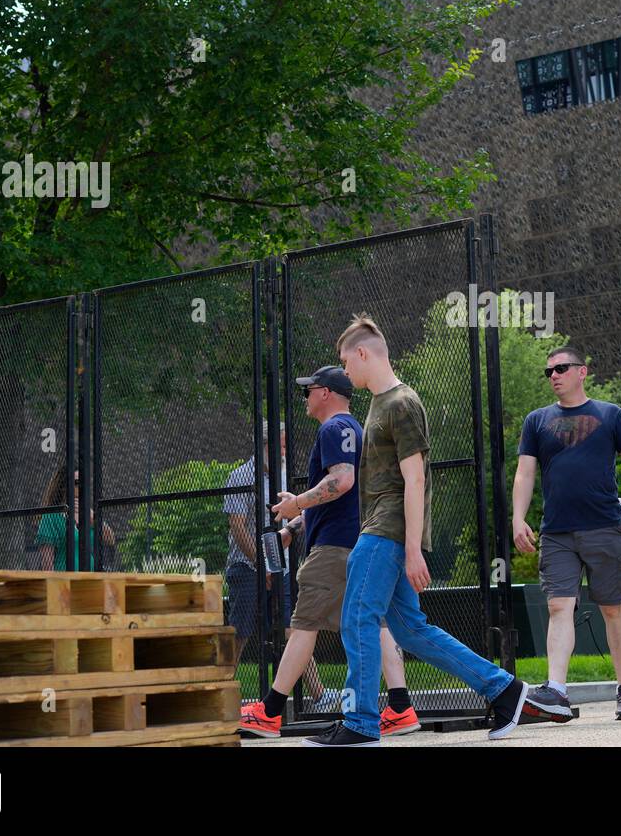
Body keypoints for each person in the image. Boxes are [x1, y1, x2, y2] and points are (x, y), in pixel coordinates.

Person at [303, 314, 528, 747]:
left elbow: (417, 479)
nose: (344, 372)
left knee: (357, 617)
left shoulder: (402, 403)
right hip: (381, 528)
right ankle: (504, 689)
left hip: (386, 531)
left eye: (345, 362)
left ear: (364, 353)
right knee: (410, 630)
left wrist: (412, 549)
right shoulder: (379, 403)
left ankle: (361, 722)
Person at [238, 365, 418, 738]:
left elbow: (341, 482)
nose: (305, 398)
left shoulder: (334, 428)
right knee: (376, 622)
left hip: (335, 547)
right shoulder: (359, 431)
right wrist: (294, 527)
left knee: (303, 624)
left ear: (325, 393)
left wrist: (296, 504)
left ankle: (269, 712)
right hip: (363, 541)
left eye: (309, 391)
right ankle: (401, 707)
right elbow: (346, 498)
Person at [512, 346, 621, 722]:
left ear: (582, 372)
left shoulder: (610, 414)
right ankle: (557, 691)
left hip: (604, 526)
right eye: (549, 372)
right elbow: (525, 473)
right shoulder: (536, 420)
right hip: (557, 531)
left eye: (561, 368)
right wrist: (518, 518)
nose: (554, 376)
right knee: (559, 605)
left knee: (612, 608)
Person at [224, 428, 289, 669]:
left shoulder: (283, 477)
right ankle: (222, 688)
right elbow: (237, 527)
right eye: (280, 447)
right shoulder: (241, 477)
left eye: (285, 447)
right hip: (247, 564)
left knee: (292, 628)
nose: (284, 452)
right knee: (241, 630)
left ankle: (317, 693)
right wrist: (262, 563)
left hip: (280, 563)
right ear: (265, 446)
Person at [35, 467, 114, 571]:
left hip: (90, 580)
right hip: (65, 582)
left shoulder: (88, 513)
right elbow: (47, 563)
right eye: (77, 483)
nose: (82, 487)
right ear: (64, 486)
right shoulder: (51, 516)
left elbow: (110, 539)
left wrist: (94, 518)